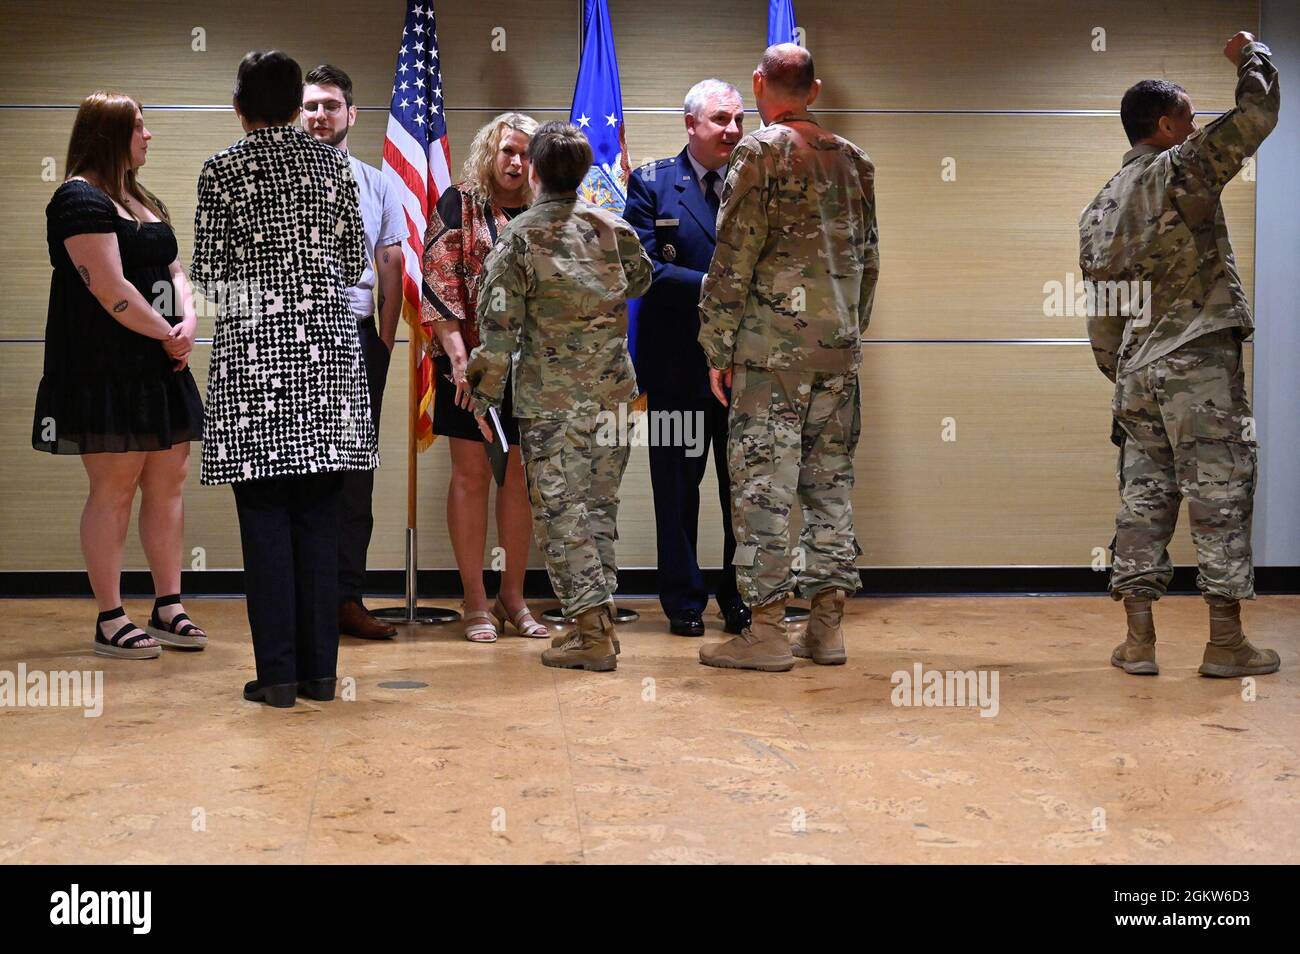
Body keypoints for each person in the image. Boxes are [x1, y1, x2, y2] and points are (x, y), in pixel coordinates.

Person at [1079, 31, 1281, 679]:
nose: (1195, 129)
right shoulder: (1180, 168)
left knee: (1143, 498)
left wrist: (1122, 370)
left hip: (1136, 376)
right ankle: (1226, 644)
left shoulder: (1099, 207)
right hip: (1198, 363)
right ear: (1166, 127)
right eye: (1190, 119)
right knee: (1219, 493)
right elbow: (1256, 115)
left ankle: (1139, 642)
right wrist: (1251, 54)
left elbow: (1101, 311)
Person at [192, 51, 372, 708]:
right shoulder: (332, 166)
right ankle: (321, 675)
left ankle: (276, 677)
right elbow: (354, 259)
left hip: (253, 366)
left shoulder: (222, 170)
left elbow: (210, 276)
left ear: (240, 107)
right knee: (322, 519)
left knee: (264, 520)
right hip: (327, 364)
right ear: (300, 106)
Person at [697, 43, 879, 672]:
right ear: (817, 89)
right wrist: (848, 334)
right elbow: (870, 264)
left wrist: (716, 346)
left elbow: (733, 258)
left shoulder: (759, 152)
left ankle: (768, 631)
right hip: (838, 355)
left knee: (764, 492)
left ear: (759, 85)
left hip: (770, 355)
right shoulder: (855, 161)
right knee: (830, 490)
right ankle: (827, 630)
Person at [466, 121, 652, 671]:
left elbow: (497, 332)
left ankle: (590, 632)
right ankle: (599, 617)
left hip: (551, 402)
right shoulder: (614, 228)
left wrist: (484, 400)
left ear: (539, 172)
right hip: (614, 393)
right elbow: (641, 281)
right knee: (599, 507)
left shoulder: (519, 237)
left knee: (561, 513)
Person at [33, 90, 207, 660]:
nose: (149, 135)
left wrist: (187, 319)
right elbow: (111, 290)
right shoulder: (77, 200)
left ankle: (168, 603)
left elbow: (175, 267)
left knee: (168, 481)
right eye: (139, 127)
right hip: (104, 368)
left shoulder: (136, 194)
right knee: (114, 488)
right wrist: (168, 332)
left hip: (160, 360)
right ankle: (110, 616)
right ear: (110, 134)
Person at [623, 79, 751, 640]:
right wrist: (718, 286)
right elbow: (641, 268)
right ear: (691, 124)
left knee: (741, 488)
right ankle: (683, 599)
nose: (733, 130)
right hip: (676, 366)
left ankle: (740, 595)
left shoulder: (753, 181)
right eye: (721, 119)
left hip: (745, 366)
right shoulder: (650, 182)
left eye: (739, 119)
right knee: (676, 489)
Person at [422, 112, 549, 643]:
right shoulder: (461, 201)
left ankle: (512, 597)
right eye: (507, 152)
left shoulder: (550, 210)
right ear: (489, 154)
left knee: (519, 481)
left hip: (534, 368)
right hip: (467, 365)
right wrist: (456, 357)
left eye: (525, 152)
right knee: (471, 476)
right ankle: (474, 599)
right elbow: (439, 282)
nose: (516, 162)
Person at [302, 63, 404, 641]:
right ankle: (304, 599)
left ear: (351, 114)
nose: (320, 115)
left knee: (353, 478)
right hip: (295, 342)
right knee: (299, 473)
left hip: (359, 341)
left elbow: (390, 264)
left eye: (330, 105)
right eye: (311, 105)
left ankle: (345, 598)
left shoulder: (377, 181)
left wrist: (385, 342)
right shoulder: (280, 180)